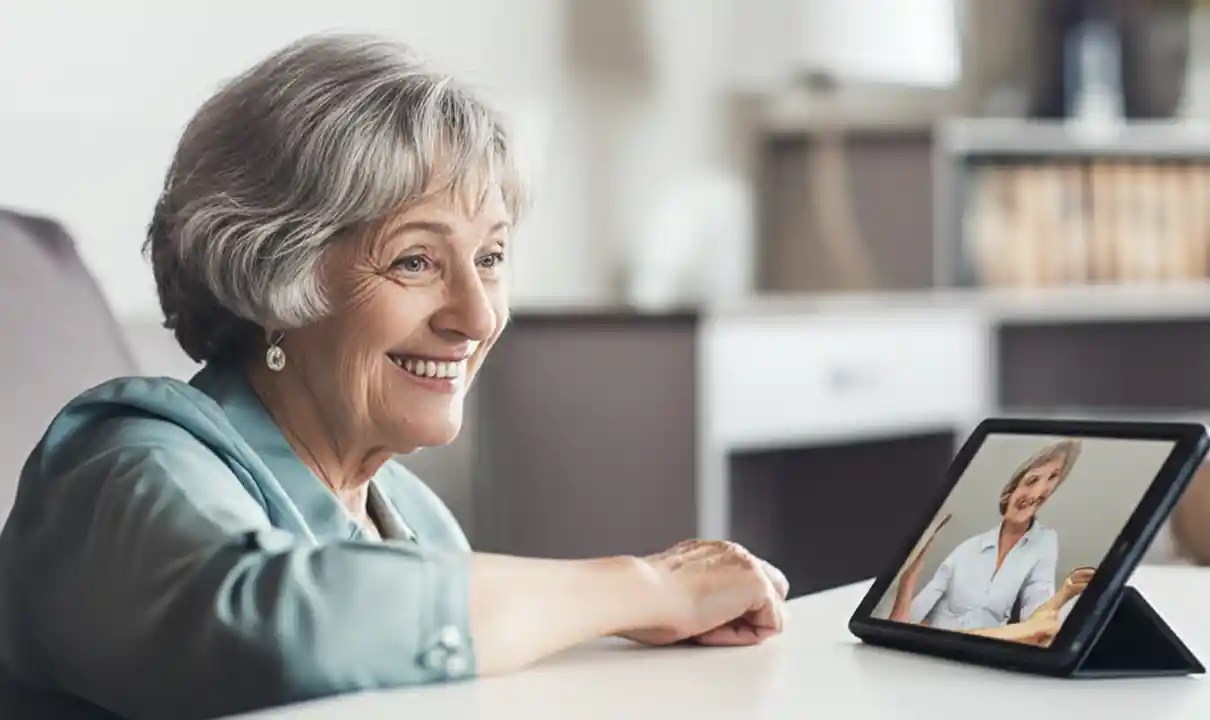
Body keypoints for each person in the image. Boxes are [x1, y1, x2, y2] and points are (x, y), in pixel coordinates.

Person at [0, 35, 788, 719]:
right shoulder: (120, 467)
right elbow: (288, 631)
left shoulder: (412, 516)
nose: (477, 317)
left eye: (490, 259)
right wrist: (642, 587)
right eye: (416, 261)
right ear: (276, 275)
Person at [888, 440, 1091, 645]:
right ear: (1009, 492)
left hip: (981, 657)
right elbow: (902, 624)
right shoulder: (967, 549)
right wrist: (908, 579)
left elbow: (1037, 626)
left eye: (1051, 479)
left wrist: (1064, 593)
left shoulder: (1044, 541)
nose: (1037, 493)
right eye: (1032, 481)